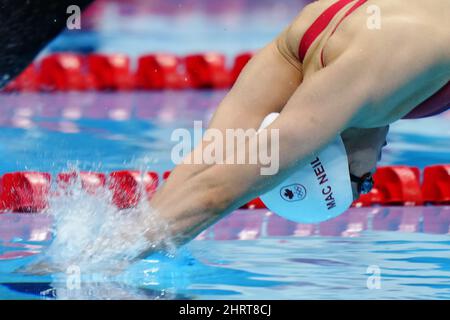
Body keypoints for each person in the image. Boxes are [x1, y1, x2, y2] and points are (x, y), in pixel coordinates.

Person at [146, 0, 449, 248]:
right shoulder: (327, 53)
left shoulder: (369, 93)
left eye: (365, 182)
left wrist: (113, 256)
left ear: (332, 159)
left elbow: (214, 188)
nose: (374, 174)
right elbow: (206, 173)